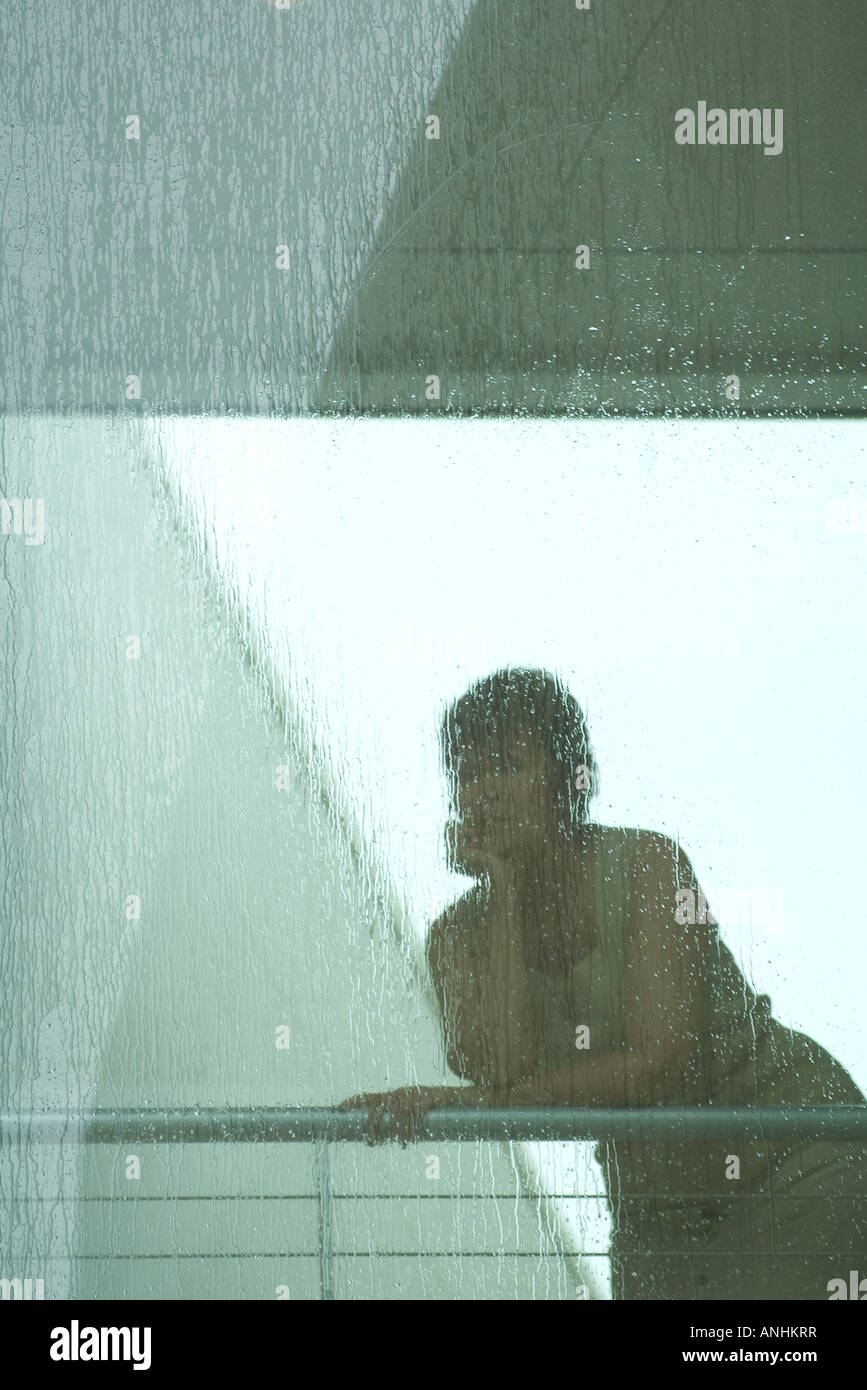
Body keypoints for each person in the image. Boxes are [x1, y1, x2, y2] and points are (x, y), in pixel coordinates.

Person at [339, 667, 867, 1299]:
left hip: (791, 1154)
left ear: (566, 776)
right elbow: (501, 1067)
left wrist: (488, 1107)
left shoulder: (650, 864)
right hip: (652, 1204)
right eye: (467, 774)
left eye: (507, 764)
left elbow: (658, 1065)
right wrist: (504, 890)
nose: (484, 791)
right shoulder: (457, 935)